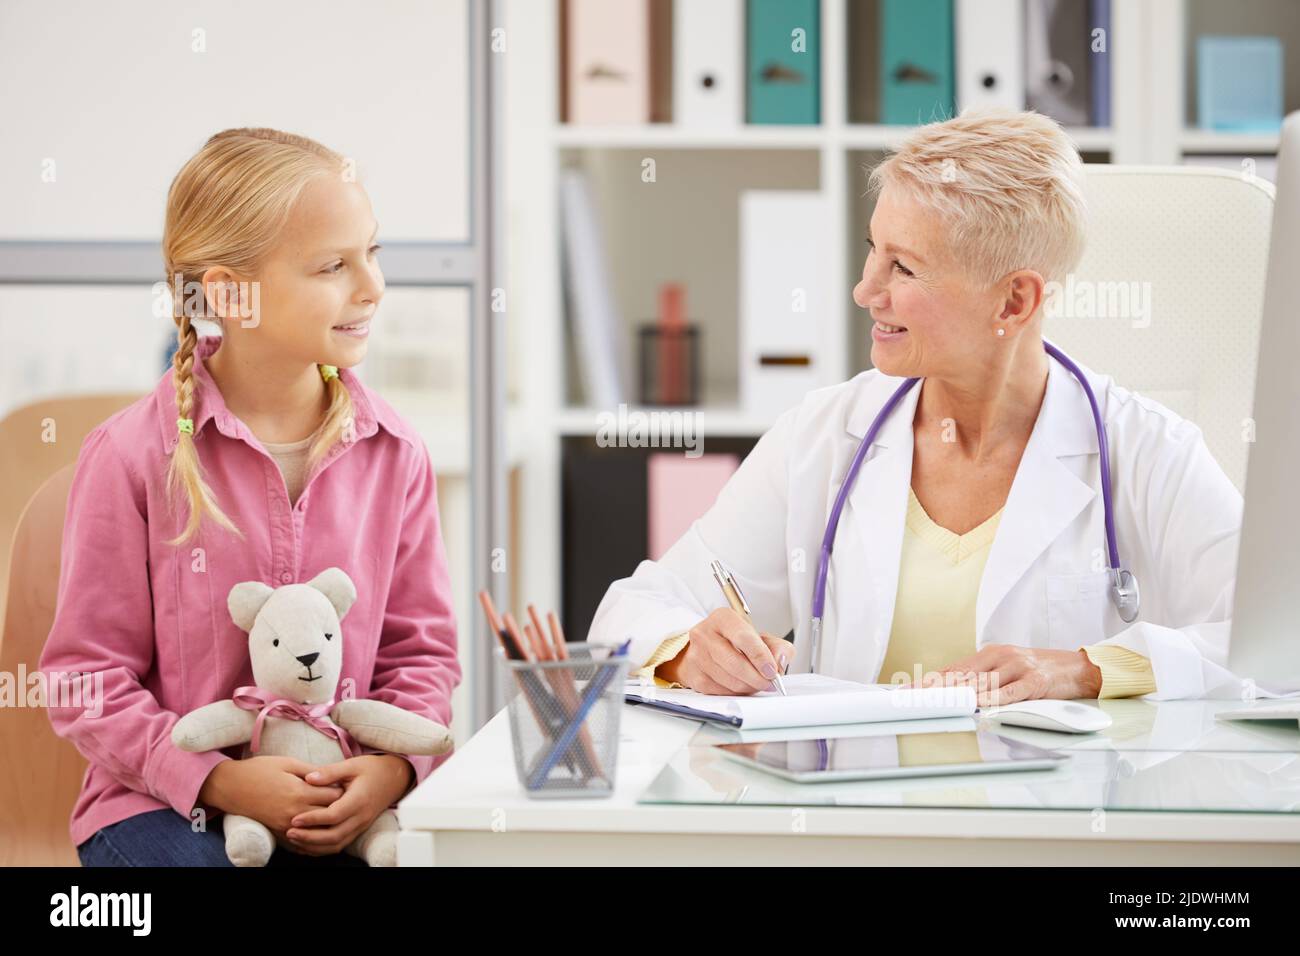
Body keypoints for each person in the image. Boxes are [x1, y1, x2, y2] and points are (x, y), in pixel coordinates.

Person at [589, 109, 1242, 705]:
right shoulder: (824, 436)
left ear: (1014, 302)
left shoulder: (1146, 450)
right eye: (874, 250)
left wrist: (1087, 669)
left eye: (903, 268)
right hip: (858, 826)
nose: (865, 289)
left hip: (1055, 828)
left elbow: (1278, 645)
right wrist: (685, 652)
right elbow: (633, 610)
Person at [39, 128, 461, 865]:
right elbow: (85, 680)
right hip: (164, 811)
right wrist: (218, 783)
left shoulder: (397, 455)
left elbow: (420, 655)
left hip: (346, 808)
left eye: (373, 252)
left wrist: (394, 770)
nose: (372, 286)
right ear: (229, 291)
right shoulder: (131, 457)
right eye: (332, 265)